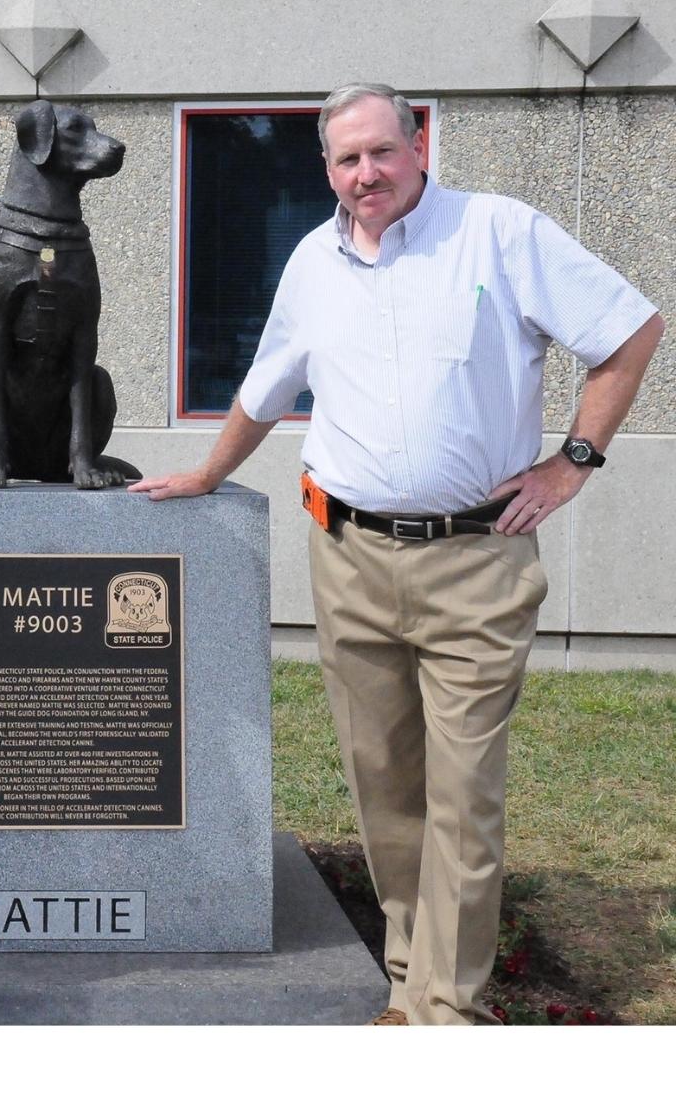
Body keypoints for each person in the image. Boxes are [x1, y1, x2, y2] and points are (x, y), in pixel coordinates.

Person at [130, 82, 662, 1026]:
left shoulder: (498, 234)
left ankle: (444, 1014)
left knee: (461, 795)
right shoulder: (313, 260)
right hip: (349, 559)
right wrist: (209, 473)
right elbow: (267, 386)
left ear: (418, 144)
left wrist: (573, 462)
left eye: (382, 150)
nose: (366, 173)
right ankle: (408, 976)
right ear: (326, 168)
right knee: (382, 786)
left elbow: (630, 330)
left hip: (477, 561)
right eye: (347, 158)